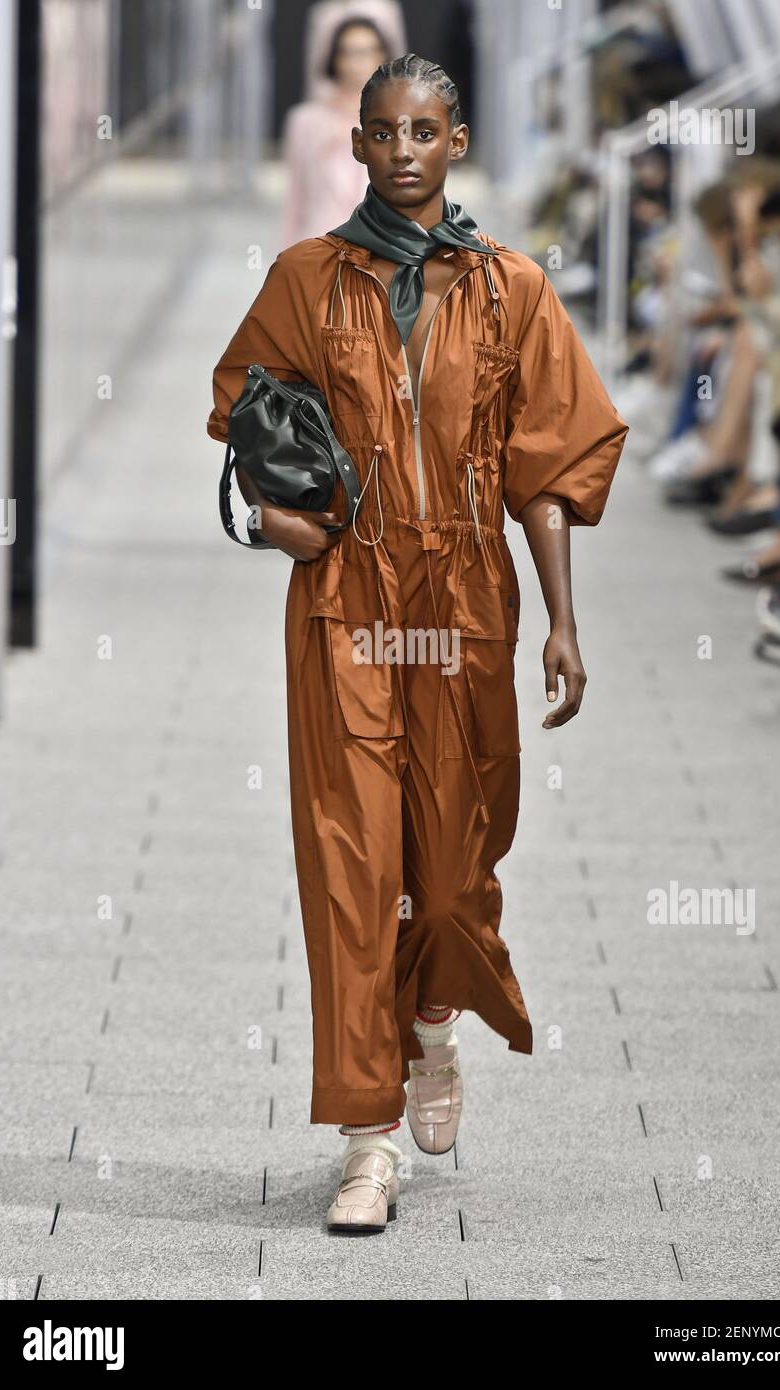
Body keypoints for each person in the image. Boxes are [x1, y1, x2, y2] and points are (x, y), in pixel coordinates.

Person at [207, 53, 628, 1234]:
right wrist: (280, 512)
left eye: (425, 129)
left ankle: (434, 1022)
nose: (401, 149)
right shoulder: (303, 277)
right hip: (344, 600)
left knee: (448, 876)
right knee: (352, 871)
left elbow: (545, 465)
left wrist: (563, 621)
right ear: (355, 143)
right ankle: (366, 1140)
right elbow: (250, 404)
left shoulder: (512, 288)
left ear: (456, 140)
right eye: (382, 130)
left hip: (461, 609)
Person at [280, 15, 392, 247]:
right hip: (319, 256)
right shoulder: (305, 122)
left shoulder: (401, 123)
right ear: (335, 58)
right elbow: (294, 201)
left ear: (382, 55)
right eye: (349, 52)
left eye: (367, 51)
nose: (357, 62)